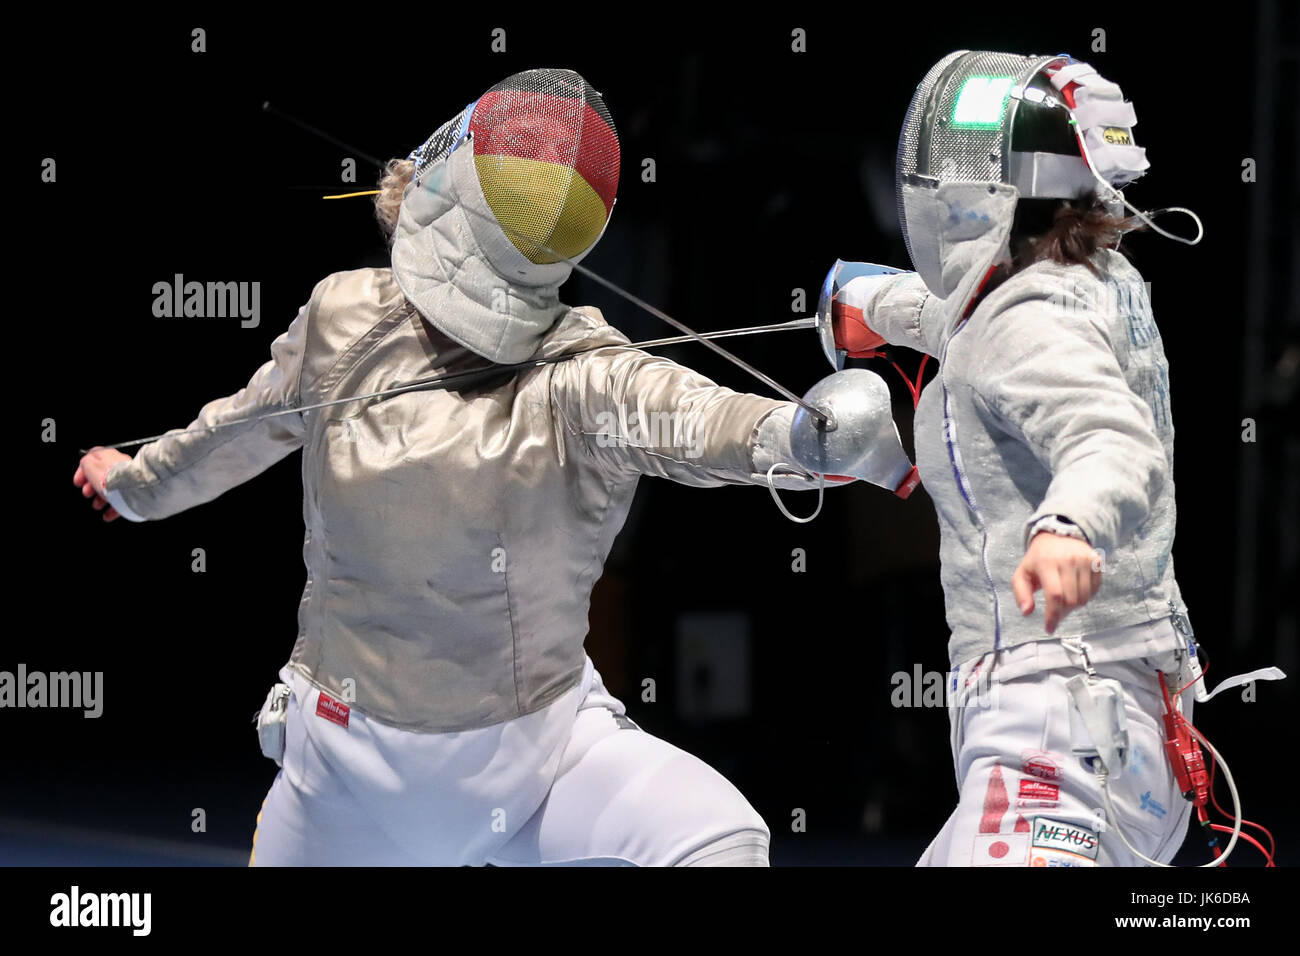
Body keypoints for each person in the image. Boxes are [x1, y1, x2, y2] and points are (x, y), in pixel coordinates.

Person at [72, 68, 888, 866]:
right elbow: (233, 432)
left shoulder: (578, 371)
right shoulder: (342, 319)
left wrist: (801, 437)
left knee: (719, 838)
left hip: (537, 762)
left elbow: (694, 414)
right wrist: (136, 484)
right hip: (341, 782)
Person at [825, 52, 1200, 866]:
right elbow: (990, 326)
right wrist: (877, 305)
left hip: (1055, 718)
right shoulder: (1100, 277)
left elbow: (1109, 435)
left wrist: (1067, 525)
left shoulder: (1021, 318)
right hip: (1124, 711)